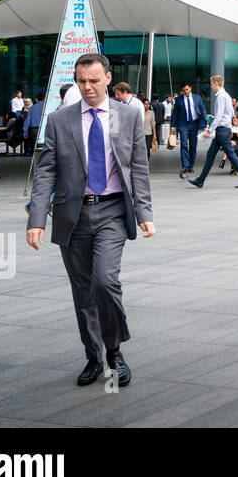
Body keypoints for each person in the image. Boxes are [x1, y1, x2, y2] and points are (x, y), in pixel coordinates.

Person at [26, 52, 155, 388]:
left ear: (108, 78)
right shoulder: (60, 119)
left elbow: (138, 168)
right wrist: (36, 218)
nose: (87, 87)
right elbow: (46, 172)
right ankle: (92, 356)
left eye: (94, 81)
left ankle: (114, 351)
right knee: (82, 291)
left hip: (112, 210)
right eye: (82, 81)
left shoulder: (128, 117)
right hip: (73, 214)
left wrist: (145, 214)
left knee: (104, 282)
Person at [189, 75, 238, 189]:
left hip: (222, 130)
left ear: (217, 84)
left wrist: (209, 130)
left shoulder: (220, 96)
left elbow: (218, 116)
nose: (210, 86)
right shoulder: (226, 96)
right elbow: (230, 114)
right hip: (224, 129)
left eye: (212, 84)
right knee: (211, 155)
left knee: (230, 154)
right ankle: (200, 180)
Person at [173, 82, 206, 175]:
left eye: (187, 89)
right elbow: (175, 113)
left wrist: (207, 121)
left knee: (193, 145)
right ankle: (185, 166)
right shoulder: (179, 100)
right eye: (183, 90)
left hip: (194, 124)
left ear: (190, 88)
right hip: (183, 124)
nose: (185, 92)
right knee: (183, 144)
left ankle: (191, 166)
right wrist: (172, 126)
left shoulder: (197, 97)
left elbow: (202, 109)